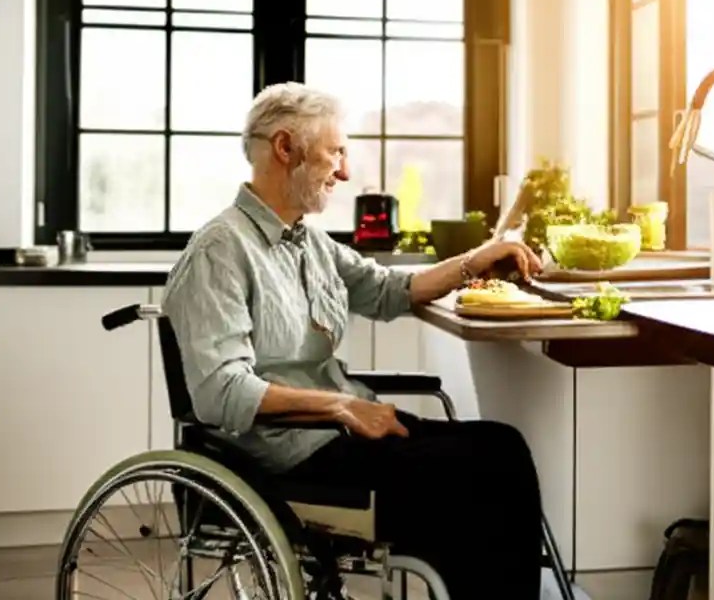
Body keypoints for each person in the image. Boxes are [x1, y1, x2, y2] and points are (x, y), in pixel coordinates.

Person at [161, 81, 546, 597]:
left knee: (503, 447)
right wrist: (341, 406)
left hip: (340, 436)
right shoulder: (220, 252)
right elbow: (221, 393)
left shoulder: (309, 241)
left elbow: (389, 290)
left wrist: (479, 258)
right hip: (284, 458)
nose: (345, 171)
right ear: (285, 148)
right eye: (336, 152)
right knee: (469, 482)